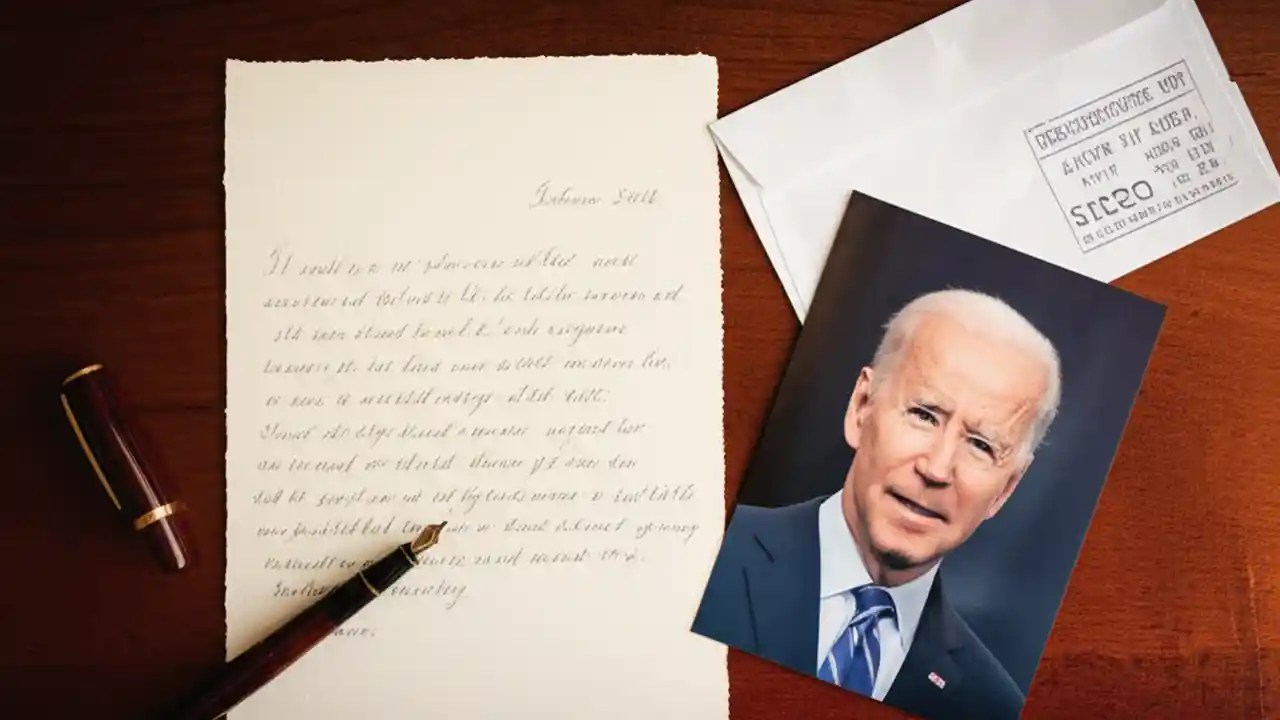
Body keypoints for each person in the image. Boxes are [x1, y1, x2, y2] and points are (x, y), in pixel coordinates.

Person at [691, 288, 1062, 720]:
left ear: (1006, 489)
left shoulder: (991, 706)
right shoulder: (707, 548)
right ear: (861, 407)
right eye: (924, 414)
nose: (938, 469)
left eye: (980, 445)